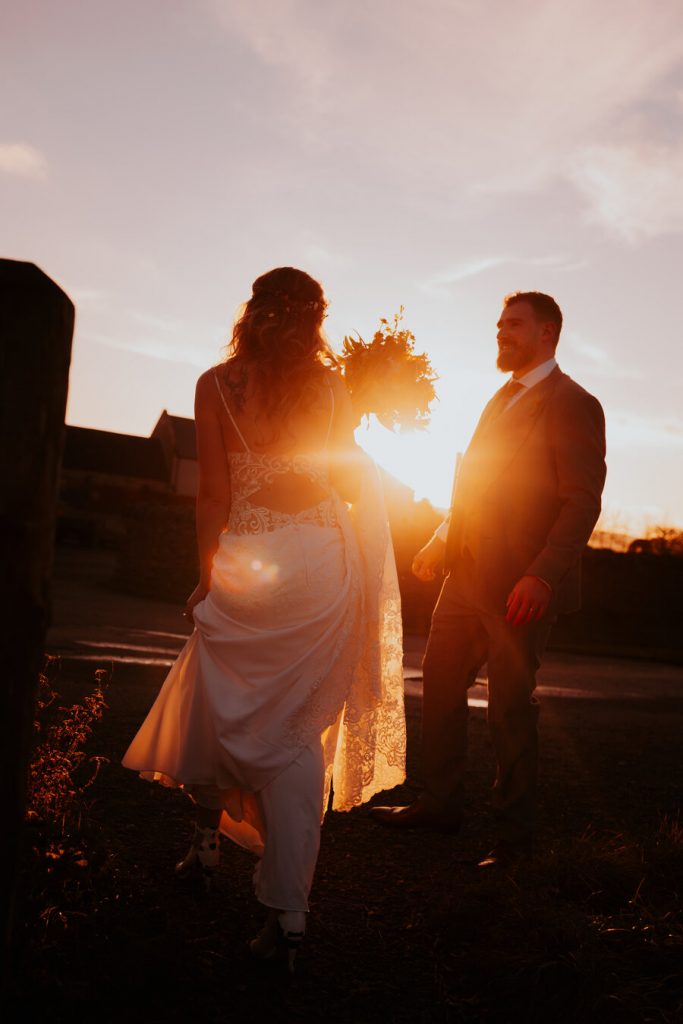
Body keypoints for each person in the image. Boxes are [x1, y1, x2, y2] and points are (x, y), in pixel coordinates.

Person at [123, 267, 405, 968]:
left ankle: (207, 841)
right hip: (321, 564)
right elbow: (343, 482)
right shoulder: (333, 390)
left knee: (222, 708)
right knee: (295, 732)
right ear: (314, 319)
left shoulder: (218, 385)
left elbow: (213, 494)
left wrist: (207, 574)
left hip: (251, 559)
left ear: (252, 310)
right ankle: (290, 914)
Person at [372, 291, 606, 868]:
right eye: (499, 323)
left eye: (515, 325)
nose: (501, 332)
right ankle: (440, 805)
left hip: (521, 588)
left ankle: (513, 840)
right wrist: (438, 540)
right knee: (441, 684)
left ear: (548, 332)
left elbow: (582, 502)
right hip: (466, 575)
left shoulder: (574, 402)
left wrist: (542, 576)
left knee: (508, 705)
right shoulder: (498, 398)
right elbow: (472, 484)